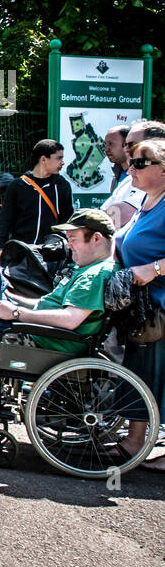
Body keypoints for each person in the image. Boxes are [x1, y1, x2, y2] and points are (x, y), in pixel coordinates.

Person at [0, 209, 116, 353]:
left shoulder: (94, 275)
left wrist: (16, 313)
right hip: (41, 337)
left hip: (45, 345)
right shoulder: (89, 269)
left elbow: (70, 319)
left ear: (96, 239)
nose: (68, 245)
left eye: (73, 239)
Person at [113, 137, 165, 471]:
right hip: (141, 307)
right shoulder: (147, 200)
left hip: (160, 305)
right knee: (141, 369)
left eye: (141, 163)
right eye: (132, 161)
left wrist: (155, 268)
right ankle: (135, 441)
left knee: (159, 372)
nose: (131, 167)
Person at [0, 138, 73, 259]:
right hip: (20, 254)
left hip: (50, 255)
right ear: (43, 159)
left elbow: (67, 220)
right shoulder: (17, 186)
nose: (62, 162)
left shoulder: (62, 186)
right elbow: (5, 219)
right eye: (58, 158)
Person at [103, 120, 165, 229]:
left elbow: (118, 216)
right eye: (125, 144)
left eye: (132, 144)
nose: (126, 149)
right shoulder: (128, 180)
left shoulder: (151, 181)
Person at [105, 124, 131, 192]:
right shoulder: (116, 173)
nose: (106, 149)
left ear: (126, 144)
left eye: (111, 143)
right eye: (105, 144)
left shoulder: (140, 175)